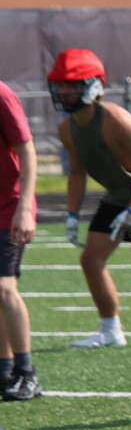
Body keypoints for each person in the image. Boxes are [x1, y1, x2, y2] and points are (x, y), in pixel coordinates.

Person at [50, 48, 131, 349]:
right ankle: (110, 330)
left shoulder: (114, 118)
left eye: (72, 84)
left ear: (93, 86)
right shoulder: (66, 129)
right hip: (119, 194)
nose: (65, 91)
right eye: (61, 84)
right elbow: (76, 174)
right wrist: (72, 215)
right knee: (90, 259)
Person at [0, 81, 40, 400]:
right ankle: (4, 370)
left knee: (4, 286)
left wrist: (25, 208)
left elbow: (26, 150)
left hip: (9, 206)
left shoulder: (2, 94)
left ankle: (27, 374)